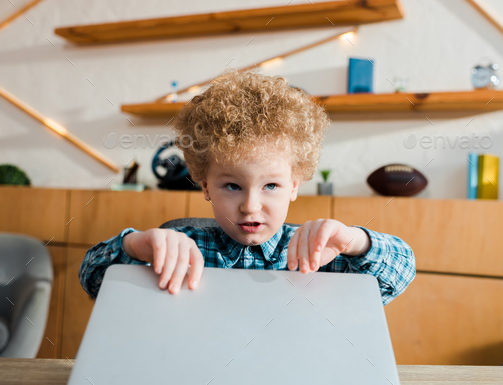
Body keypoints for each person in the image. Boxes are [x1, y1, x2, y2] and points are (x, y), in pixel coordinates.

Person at [79, 68, 416, 306]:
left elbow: (399, 275)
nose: (251, 206)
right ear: (205, 185)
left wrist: (355, 241)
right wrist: (136, 245)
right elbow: (93, 280)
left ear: (294, 185)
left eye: (271, 185)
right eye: (232, 186)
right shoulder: (178, 247)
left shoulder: (319, 254)